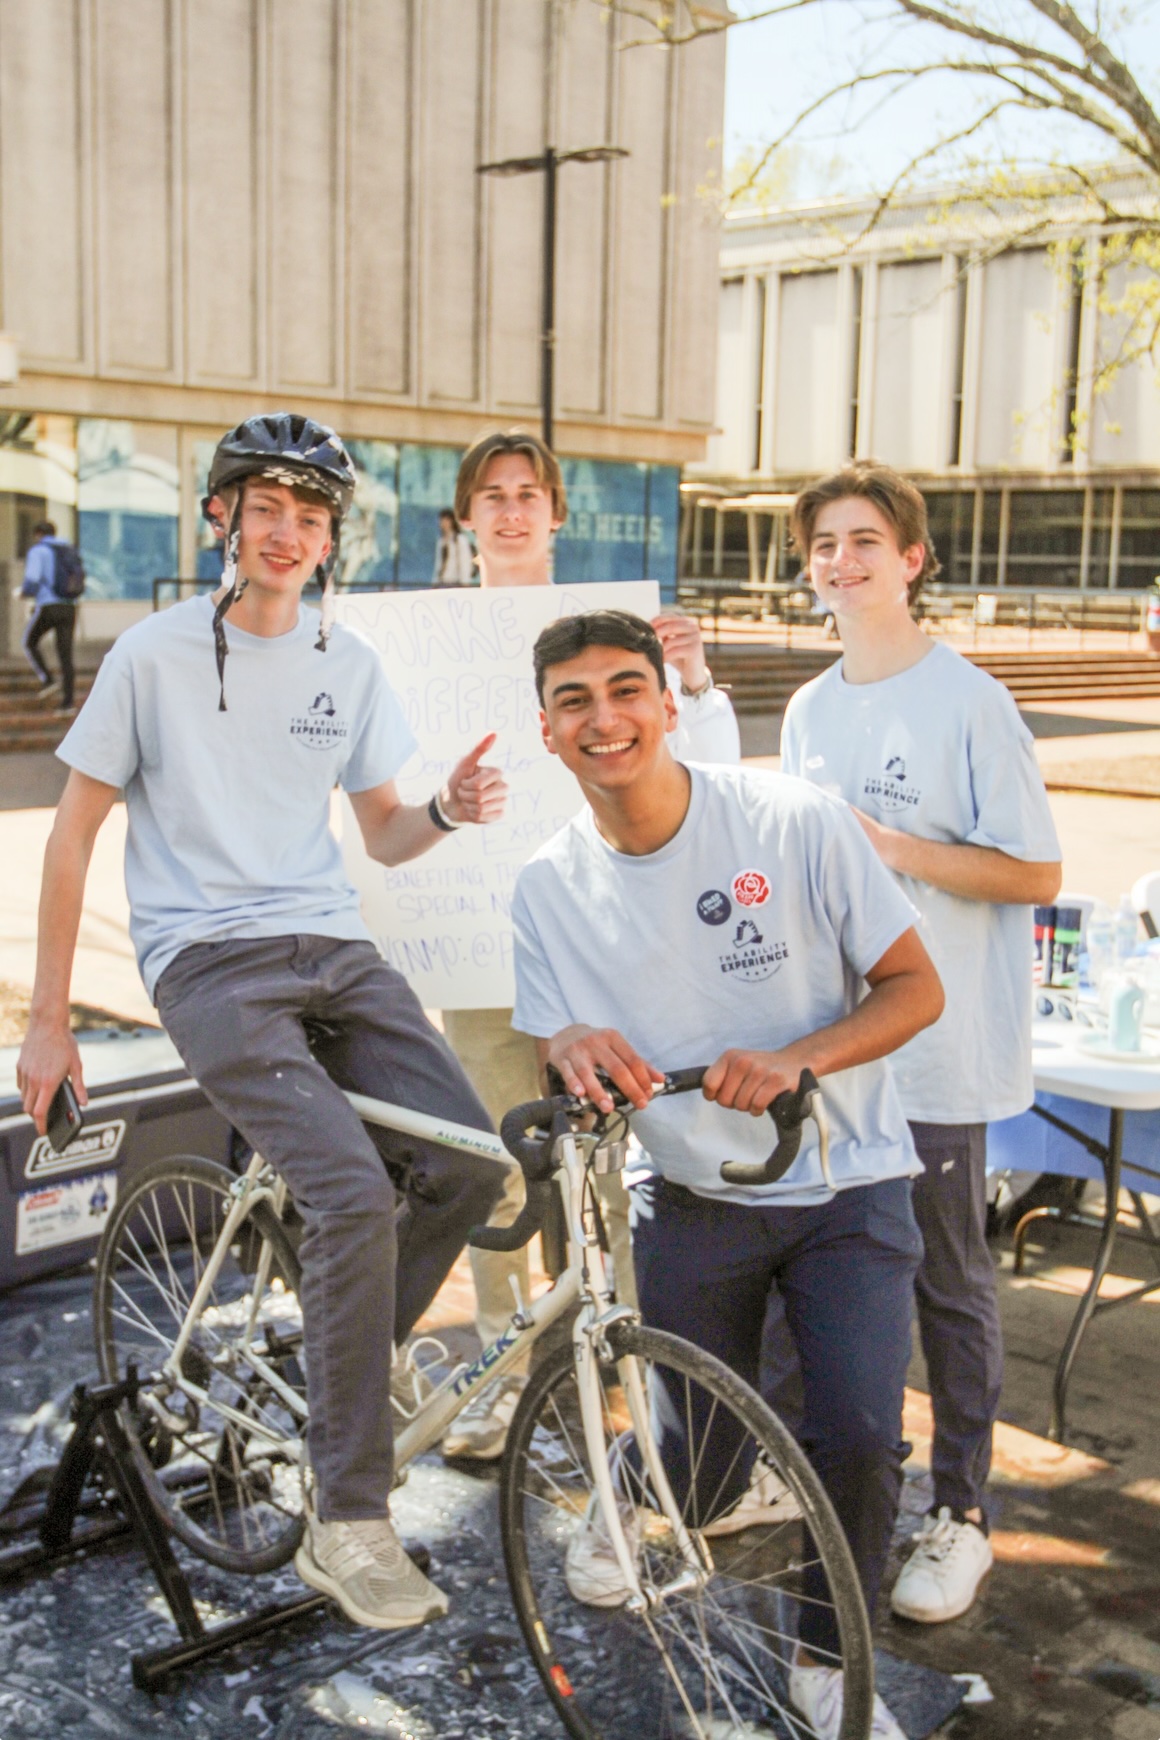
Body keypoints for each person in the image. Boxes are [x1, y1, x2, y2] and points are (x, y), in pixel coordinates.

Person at [16, 413, 510, 1635]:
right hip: (209, 964)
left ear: (332, 536)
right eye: (267, 508)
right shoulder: (152, 654)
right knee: (350, 1193)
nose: (289, 533)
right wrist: (45, 1023)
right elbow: (73, 835)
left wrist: (443, 809)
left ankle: (349, 1362)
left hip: (333, 948)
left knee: (466, 1162)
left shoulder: (348, 664)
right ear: (223, 521)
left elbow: (386, 832)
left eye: (312, 514)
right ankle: (346, 1523)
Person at [511, 608, 945, 1740]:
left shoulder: (789, 821)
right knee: (695, 1466)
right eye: (573, 701)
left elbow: (913, 988)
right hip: (692, 1195)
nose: (603, 718)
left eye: (624, 689)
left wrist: (799, 1056)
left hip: (844, 1180)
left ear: (667, 702)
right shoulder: (545, 885)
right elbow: (557, 1034)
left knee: (853, 1434)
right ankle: (635, 1480)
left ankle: (821, 1658)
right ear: (547, 733)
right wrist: (563, 1046)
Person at [780, 461, 1062, 1626]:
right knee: (818, 1274)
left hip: (936, 1052)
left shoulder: (967, 701)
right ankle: (815, 1486)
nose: (839, 561)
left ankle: (962, 1516)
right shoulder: (805, 708)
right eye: (821, 546)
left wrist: (887, 847)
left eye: (862, 540)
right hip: (835, 1050)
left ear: (911, 558)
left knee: (945, 1280)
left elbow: (1034, 870)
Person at [439, 428, 740, 1462]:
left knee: (605, 1174)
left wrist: (692, 685)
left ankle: (606, 1375)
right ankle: (496, 1370)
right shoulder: (420, 642)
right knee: (491, 1166)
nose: (512, 511)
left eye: (529, 493)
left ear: (557, 513)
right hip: (474, 946)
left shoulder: (614, 636)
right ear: (464, 519)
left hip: (604, 942)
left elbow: (698, 780)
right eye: (492, 496)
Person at [20, 519, 84, 715]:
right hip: (70, 606)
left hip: (49, 605)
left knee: (29, 641)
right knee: (66, 655)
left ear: (38, 533)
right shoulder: (68, 549)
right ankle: (68, 703)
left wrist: (25, 593)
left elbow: (32, 578)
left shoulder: (38, 551)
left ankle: (48, 679)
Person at [432, 507, 474, 585]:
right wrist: (435, 582)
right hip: (442, 582)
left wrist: (465, 583)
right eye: (441, 520)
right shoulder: (441, 541)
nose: (443, 523)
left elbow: (465, 562)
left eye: (446, 520)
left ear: (451, 521)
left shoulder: (459, 539)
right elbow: (438, 563)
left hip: (455, 582)